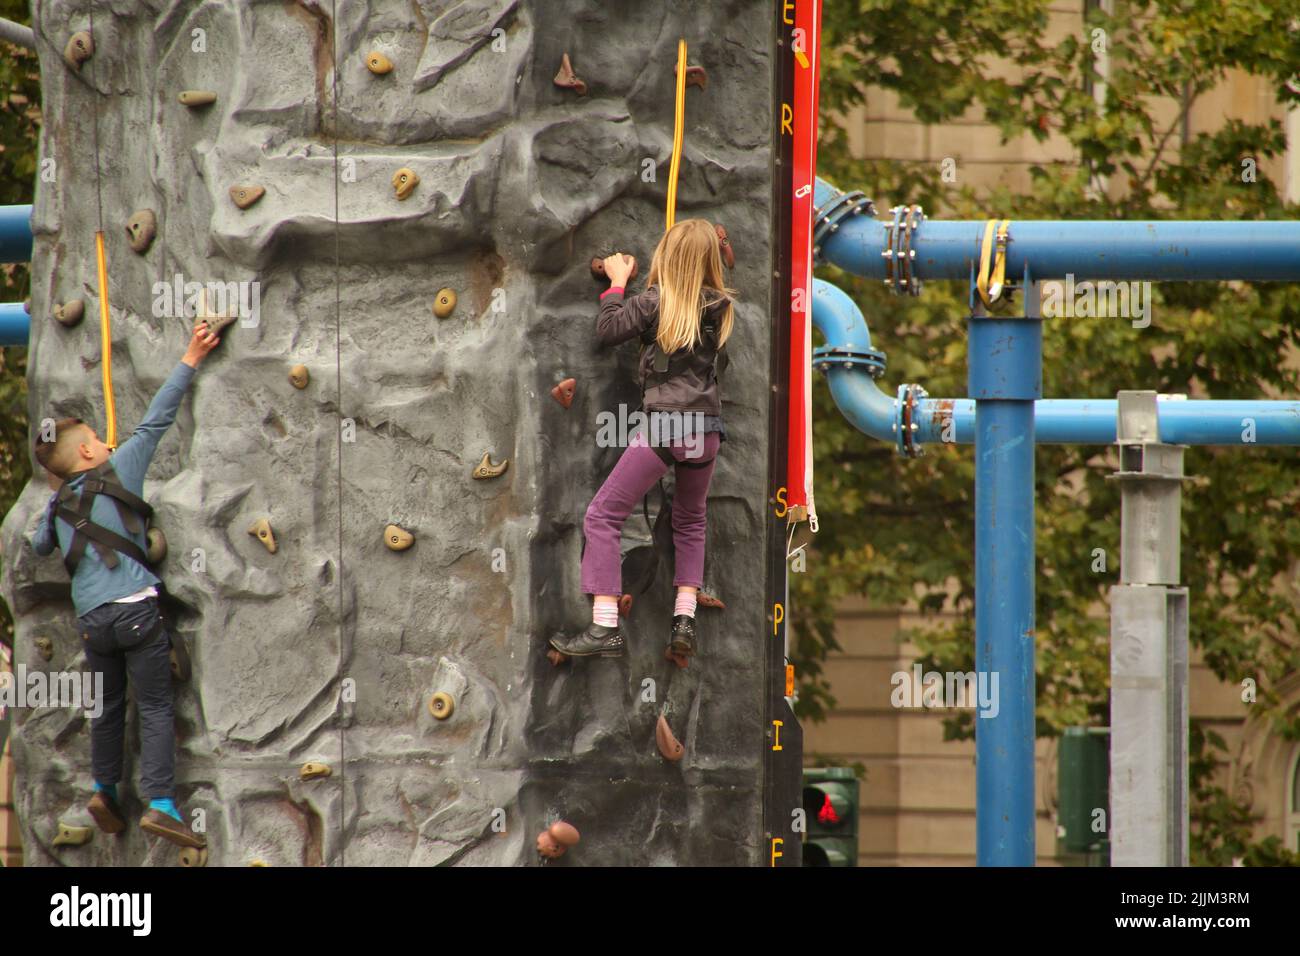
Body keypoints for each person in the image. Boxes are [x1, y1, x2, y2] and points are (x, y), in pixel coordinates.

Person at [31, 320, 219, 848]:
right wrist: (190, 356)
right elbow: (158, 418)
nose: (106, 442)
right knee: (156, 706)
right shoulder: (122, 468)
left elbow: (40, 546)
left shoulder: (56, 505)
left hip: (94, 625)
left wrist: (61, 489)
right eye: (96, 440)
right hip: (136, 610)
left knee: (109, 708)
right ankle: (160, 803)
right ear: (90, 453)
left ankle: (105, 790)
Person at [551, 218, 736, 660]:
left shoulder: (655, 303)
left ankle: (604, 625)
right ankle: (684, 621)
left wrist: (616, 282)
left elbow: (609, 329)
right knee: (690, 520)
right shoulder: (722, 306)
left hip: (667, 429)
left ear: (667, 258)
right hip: (707, 432)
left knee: (602, 516)